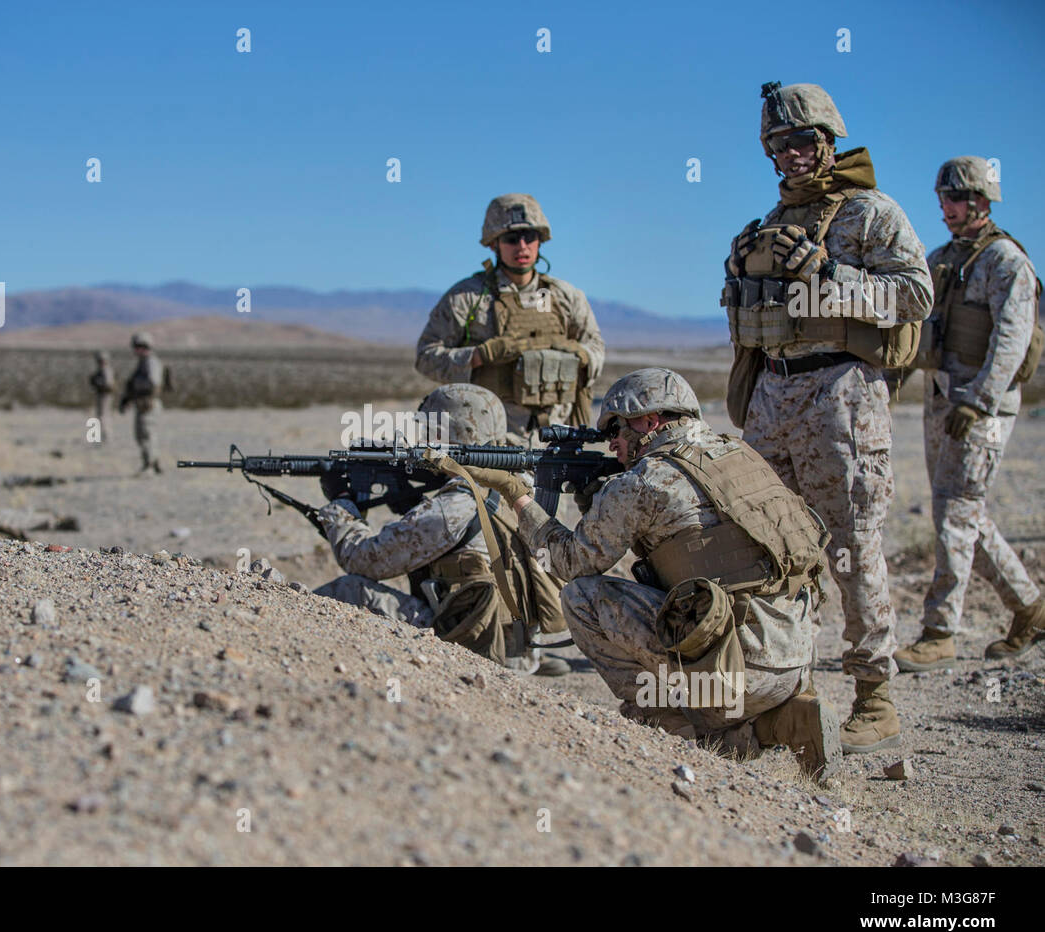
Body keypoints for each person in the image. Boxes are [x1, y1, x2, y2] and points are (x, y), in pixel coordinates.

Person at [438, 369, 841, 780]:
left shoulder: (644, 481)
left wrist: (517, 496)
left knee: (582, 596)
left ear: (650, 421)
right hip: (793, 661)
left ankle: (675, 729)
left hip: (733, 672)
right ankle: (785, 717)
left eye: (615, 426)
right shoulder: (741, 455)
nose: (611, 442)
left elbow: (569, 563)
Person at [721, 81, 933, 754]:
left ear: (829, 141)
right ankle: (782, 688)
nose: (792, 154)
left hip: (841, 396)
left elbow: (915, 294)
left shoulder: (872, 214)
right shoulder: (764, 225)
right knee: (767, 546)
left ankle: (876, 697)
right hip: (772, 394)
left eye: (803, 141)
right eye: (778, 145)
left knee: (851, 543)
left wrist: (829, 271)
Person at [895, 157, 1045, 669]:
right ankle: (1030, 607)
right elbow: (918, 329)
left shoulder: (1007, 263)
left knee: (956, 516)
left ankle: (940, 632)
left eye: (953, 200)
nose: (944, 209)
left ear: (981, 201)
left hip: (978, 410)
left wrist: (978, 401)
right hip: (941, 400)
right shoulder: (941, 259)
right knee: (960, 516)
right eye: (941, 200)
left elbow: (1011, 340)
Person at [314, 384, 571, 676]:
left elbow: (361, 558)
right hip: (517, 650)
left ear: (453, 435)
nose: (421, 440)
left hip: (476, 649)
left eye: (429, 431)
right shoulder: (522, 482)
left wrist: (341, 505)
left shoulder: (457, 504)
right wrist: (413, 502)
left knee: (350, 590)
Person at [414, 194, 605, 442]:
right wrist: (478, 356)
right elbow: (425, 357)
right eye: (512, 239)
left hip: (555, 440)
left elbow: (596, 348)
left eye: (530, 237)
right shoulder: (468, 297)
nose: (522, 246)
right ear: (494, 244)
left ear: (540, 241)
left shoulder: (565, 297)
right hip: (489, 439)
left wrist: (579, 355)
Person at [119, 332, 172, 474]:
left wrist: (136, 385)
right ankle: (151, 463)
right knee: (141, 435)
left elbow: (153, 382)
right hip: (142, 403)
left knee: (147, 434)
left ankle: (150, 465)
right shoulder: (143, 362)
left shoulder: (151, 362)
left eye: (137, 347)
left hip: (149, 404)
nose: (135, 350)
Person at [89, 351, 116, 445]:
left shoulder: (106, 370)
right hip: (101, 396)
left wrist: (97, 383)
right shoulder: (101, 370)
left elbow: (109, 385)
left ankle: (106, 438)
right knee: (100, 416)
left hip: (105, 396)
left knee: (103, 417)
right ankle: (100, 437)